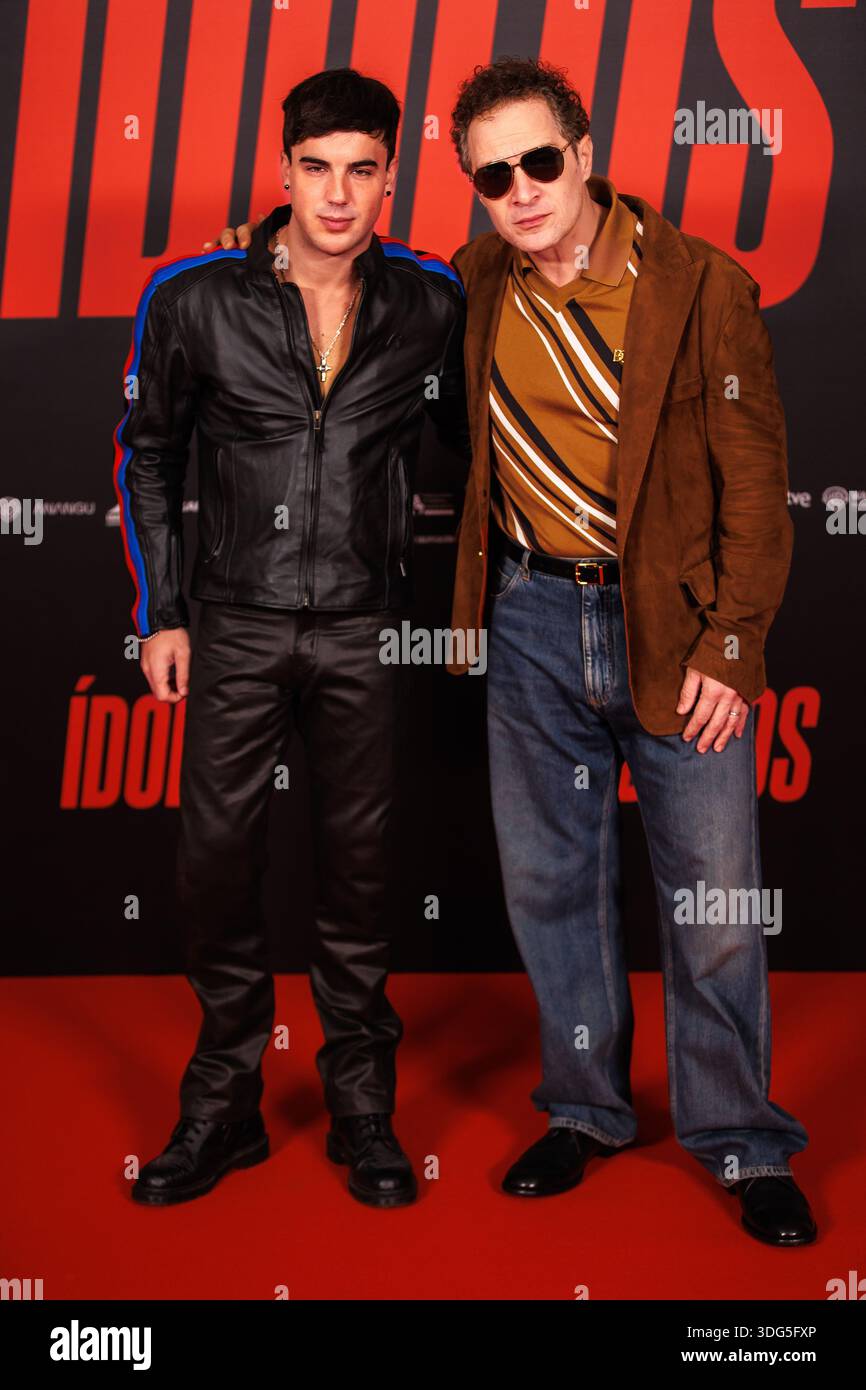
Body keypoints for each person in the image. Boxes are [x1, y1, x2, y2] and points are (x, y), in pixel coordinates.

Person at [217, 57, 816, 1247]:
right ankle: (587, 1111)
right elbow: (347, 270)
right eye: (493, 175)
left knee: (708, 906)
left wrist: (732, 644)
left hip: (669, 626)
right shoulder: (481, 276)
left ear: (583, 154)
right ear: (476, 193)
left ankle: (740, 1138)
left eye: (540, 161)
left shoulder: (698, 285)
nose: (522, 190)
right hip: (532, 619)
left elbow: (756, 486)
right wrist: (258, 242)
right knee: (553, 891)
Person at [114, 68, 470, 1208]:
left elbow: (470, 451)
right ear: (282, 172)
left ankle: (362, 1108)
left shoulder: (428, 303)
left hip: (367, 629)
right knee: (216, 863)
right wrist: (161, 609)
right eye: (315, 168)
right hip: (235, 620)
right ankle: (221, 1106)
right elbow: (150, 454)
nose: (336, 194)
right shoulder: (193, 297)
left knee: (360, 875)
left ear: (387, 178)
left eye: (361, 170)